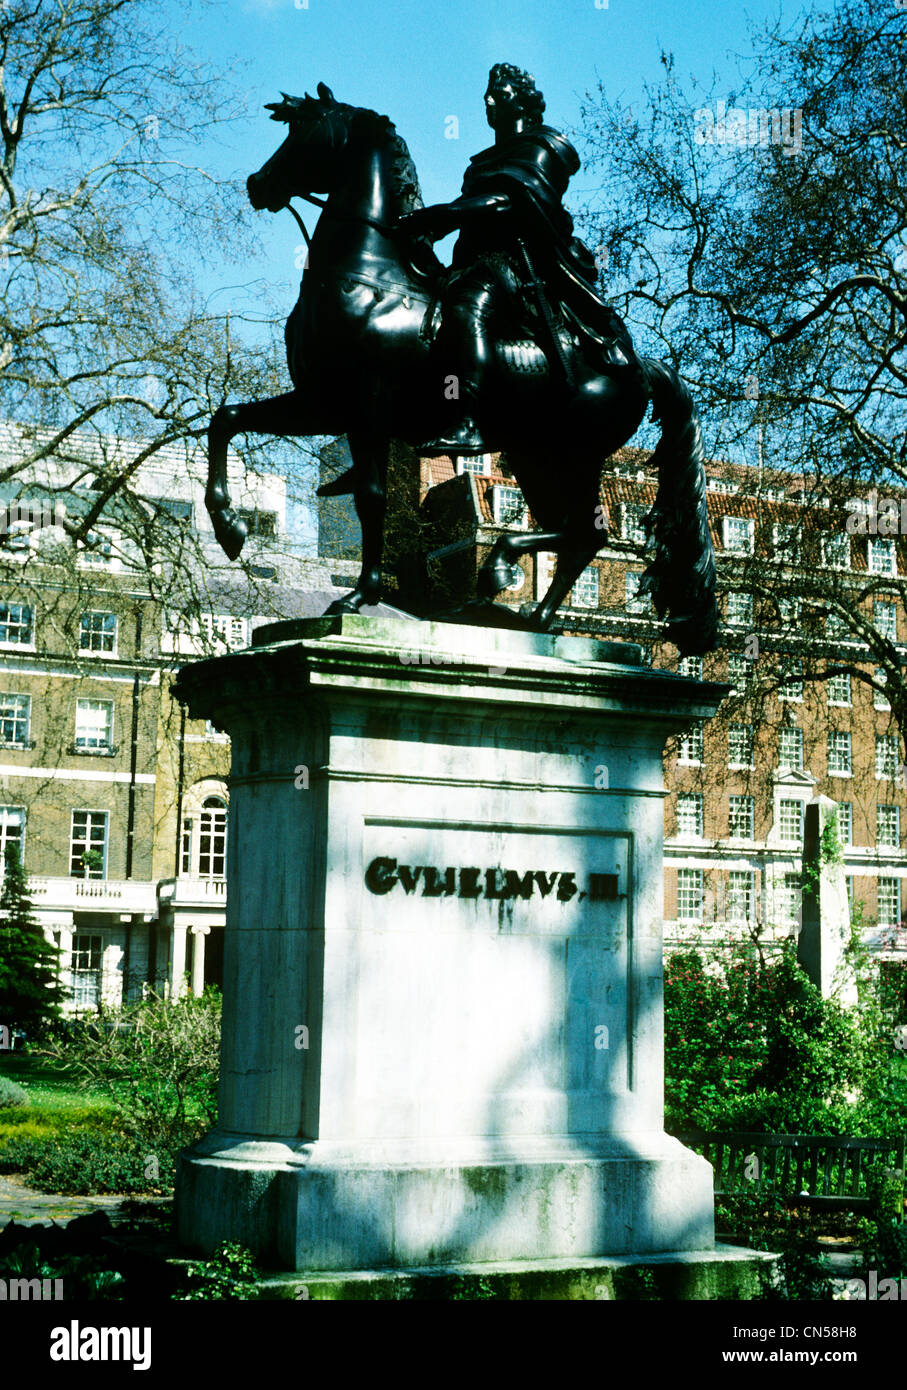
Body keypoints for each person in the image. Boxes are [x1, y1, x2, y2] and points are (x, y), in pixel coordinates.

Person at [399, 62, 631, 454]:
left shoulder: (543, 148)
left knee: (469, 305)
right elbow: (472, 206)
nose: (489, 102)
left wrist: (447, 214)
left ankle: (467, 420)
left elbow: (510, 200)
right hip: (473, 260)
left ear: (523, 102)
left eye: (499, 94)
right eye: (486, 96)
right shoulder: (481, 161)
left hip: (517, 264)